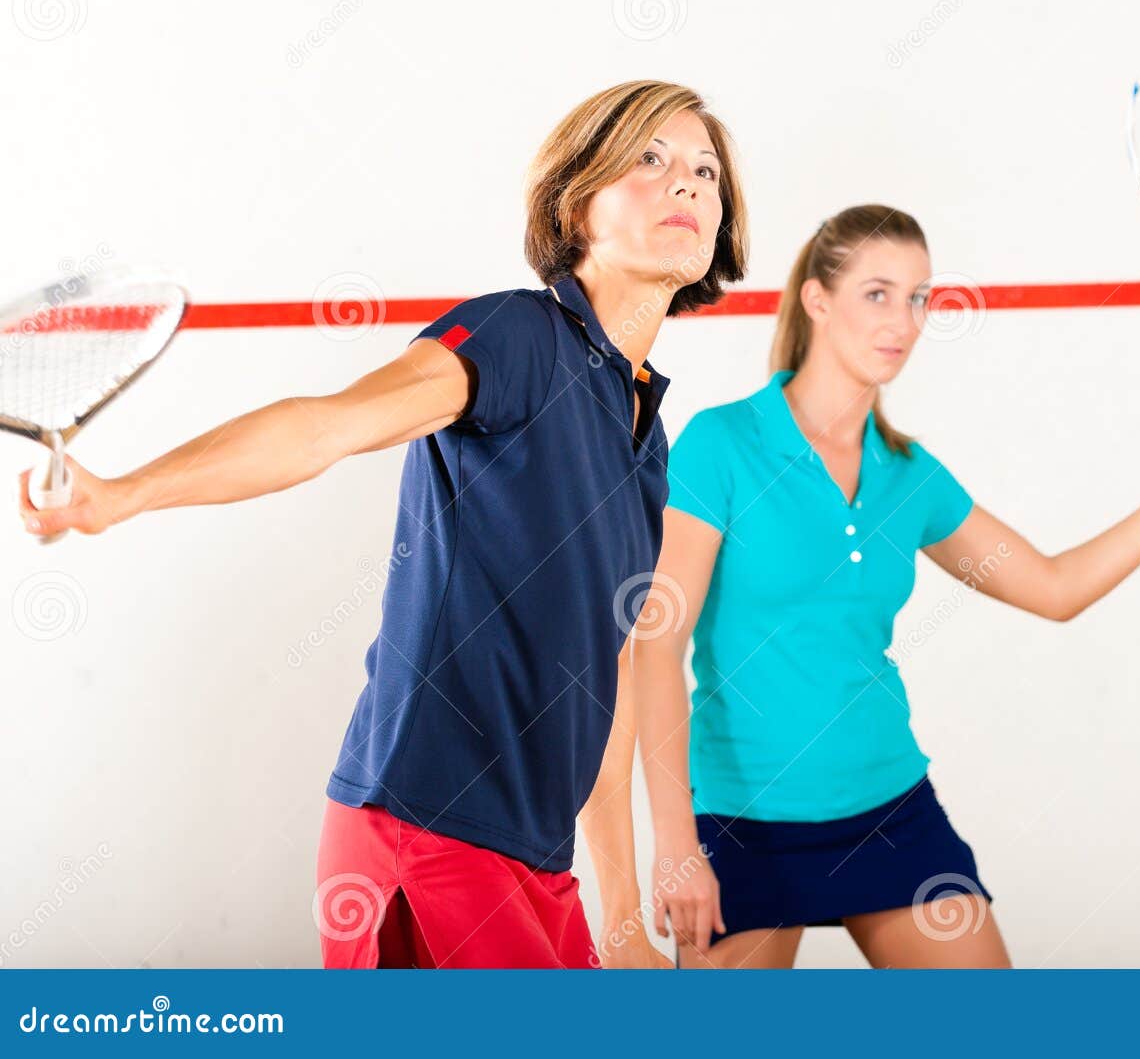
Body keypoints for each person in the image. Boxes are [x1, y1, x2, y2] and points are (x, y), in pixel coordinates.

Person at [17, 79, 750, 969]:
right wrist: (122, 494)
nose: (686, 184)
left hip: (534, 865)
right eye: (649, 158)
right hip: (425, 837)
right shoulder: (516, 338)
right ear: (576, 201)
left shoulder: (646, 433)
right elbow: (328, 424)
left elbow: (605, 675)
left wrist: (621, 911)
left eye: (705, 171)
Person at [633, 204, 1140, 968]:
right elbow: (653, 649)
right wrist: (675, 847)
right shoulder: (723, 444)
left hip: (887, 806)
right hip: (743, 820)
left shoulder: (908, 474)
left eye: (921, 298)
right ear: (818, 299)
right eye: (879, 293)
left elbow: (1055, 587)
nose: (905, 321)